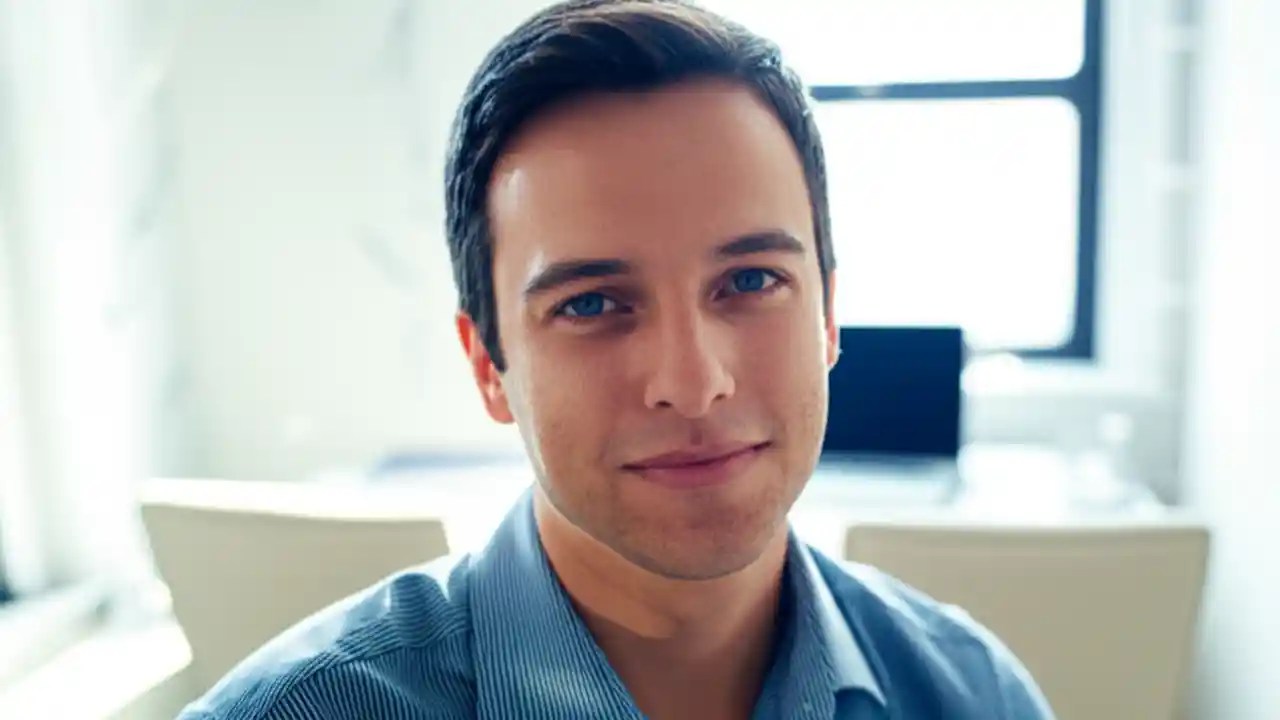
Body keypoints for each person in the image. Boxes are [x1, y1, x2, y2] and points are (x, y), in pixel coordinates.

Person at [179, 1, 1054, 718]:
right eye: (592, 303)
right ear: (488, 365)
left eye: (751, 280)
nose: (694, 383)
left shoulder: (974, 697)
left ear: (827, 315)